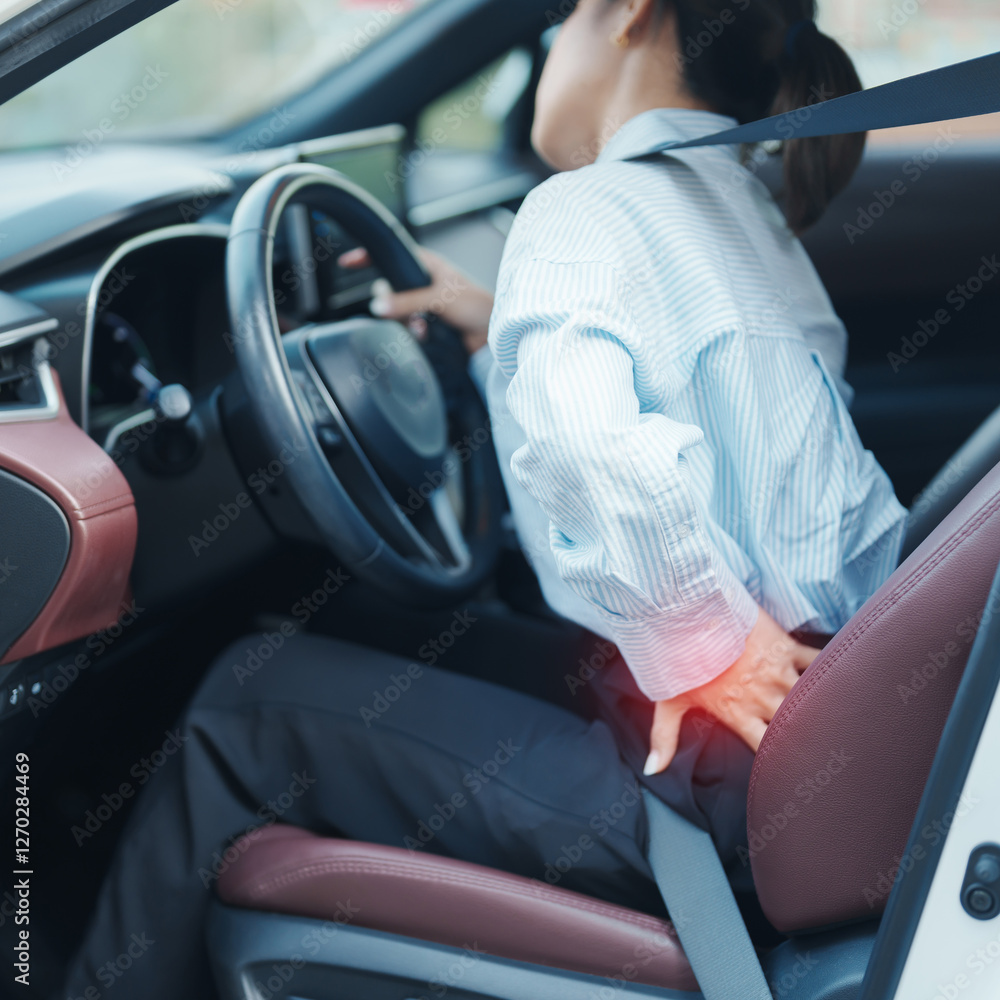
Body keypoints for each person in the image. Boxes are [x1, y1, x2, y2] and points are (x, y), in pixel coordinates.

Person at [62, 1, 907, 996]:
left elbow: (588, 437)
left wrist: (709, 642)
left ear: (628, 10)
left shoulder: (584, 207)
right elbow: (726, 435)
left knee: (241, 702)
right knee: (356, 625)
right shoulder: (747, 223)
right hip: (804, 751)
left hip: (706, 791)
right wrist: (503, 326)